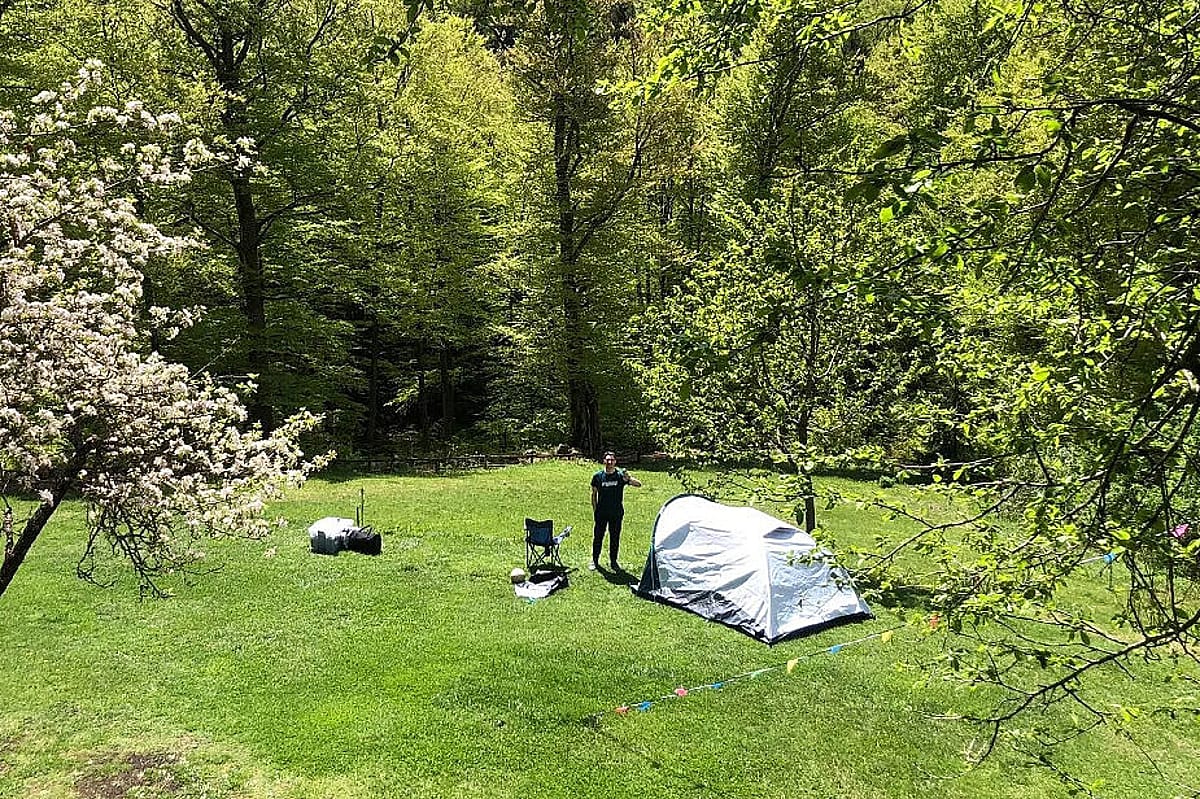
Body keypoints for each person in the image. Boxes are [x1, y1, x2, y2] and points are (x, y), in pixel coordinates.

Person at [590, 451, 641, 571]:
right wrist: (595, 510)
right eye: (607, 460)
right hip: (601, 513)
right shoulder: (597, 477)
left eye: (612, 460)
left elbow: (638, 484)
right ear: (604, 461)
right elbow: (593, 495)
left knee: (614, 538)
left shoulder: (620, 476)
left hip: (616, 513)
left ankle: (613, 562)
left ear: (615, 462)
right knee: (598, 537)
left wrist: (629, 478)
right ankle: (594, 560)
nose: (609, 462)